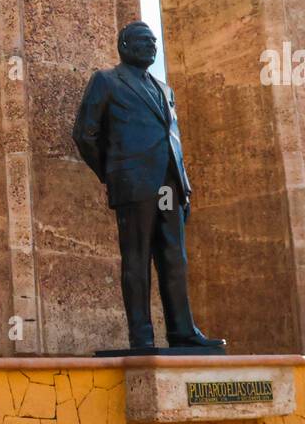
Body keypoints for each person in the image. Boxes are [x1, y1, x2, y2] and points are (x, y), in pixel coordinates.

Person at [73, 21, 226, 352]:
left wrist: (183, 184)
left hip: (168, 187)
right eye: (144, 41)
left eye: (153, 41)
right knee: (137, 257)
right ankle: (141, 335)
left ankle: (182, 331)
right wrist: (113, 173)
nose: (152, 46)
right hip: (134, 184)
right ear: (125, 46)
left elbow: (172, 138)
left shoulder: (163, 88)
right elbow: (85, 134)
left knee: (174, 255)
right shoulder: (107, 81)